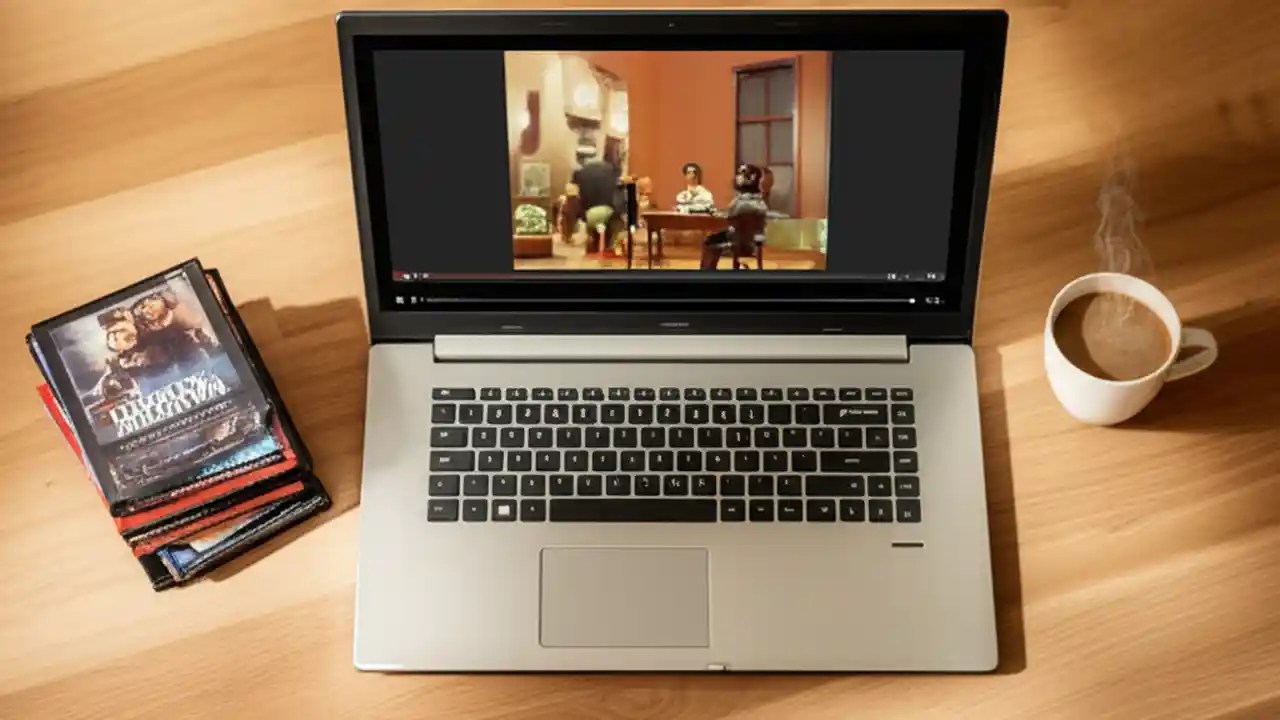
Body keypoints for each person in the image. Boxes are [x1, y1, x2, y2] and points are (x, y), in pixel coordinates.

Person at [701, 164, 769, 270]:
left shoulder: (741, 201)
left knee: (709, 241)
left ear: (752, 177)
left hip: (737, 239)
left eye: (741, 173)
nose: (737, 177)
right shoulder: (760, 201)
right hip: (755, 239)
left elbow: (731, 217)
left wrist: (719, 214)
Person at [572, 160, 625, 255]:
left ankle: (594, 245)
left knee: (593, 231)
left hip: (590, 213)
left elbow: (580, 199)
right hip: (608, 211)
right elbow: (619, 197)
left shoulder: (582, 174)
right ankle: (610, 247)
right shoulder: (613, 174)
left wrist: (582, 215)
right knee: (616, 226)